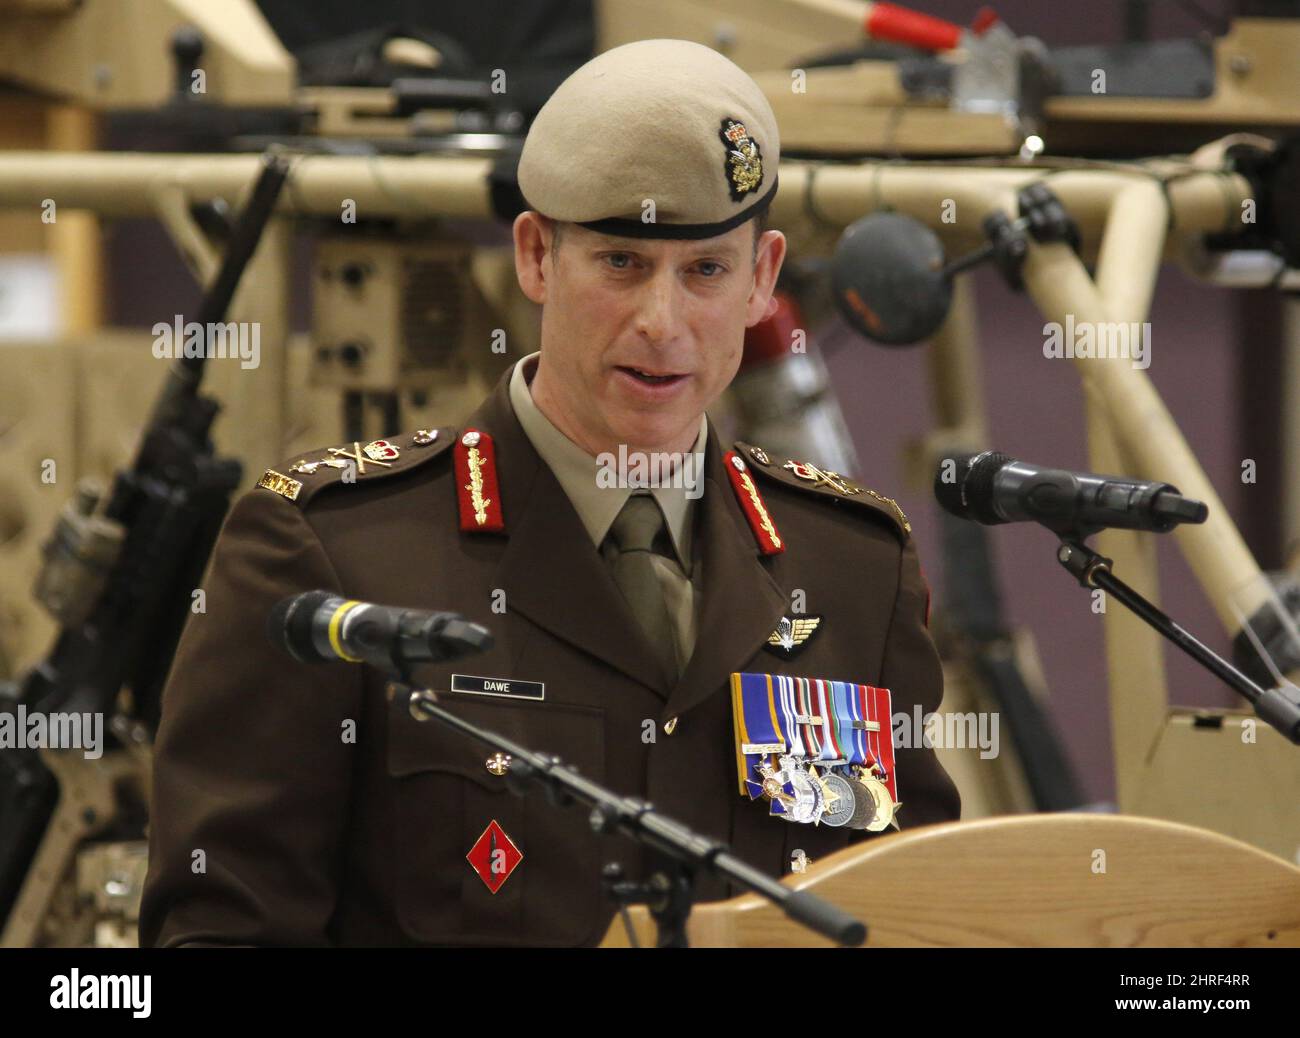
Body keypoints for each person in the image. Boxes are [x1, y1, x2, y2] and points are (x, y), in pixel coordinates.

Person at [139, 37, 959, 948]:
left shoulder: (850, 568)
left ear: (764, 279)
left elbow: (920, 914)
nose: (663, 324)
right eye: (619, 263)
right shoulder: (330, 554)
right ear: (536, 256)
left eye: (706, 272)